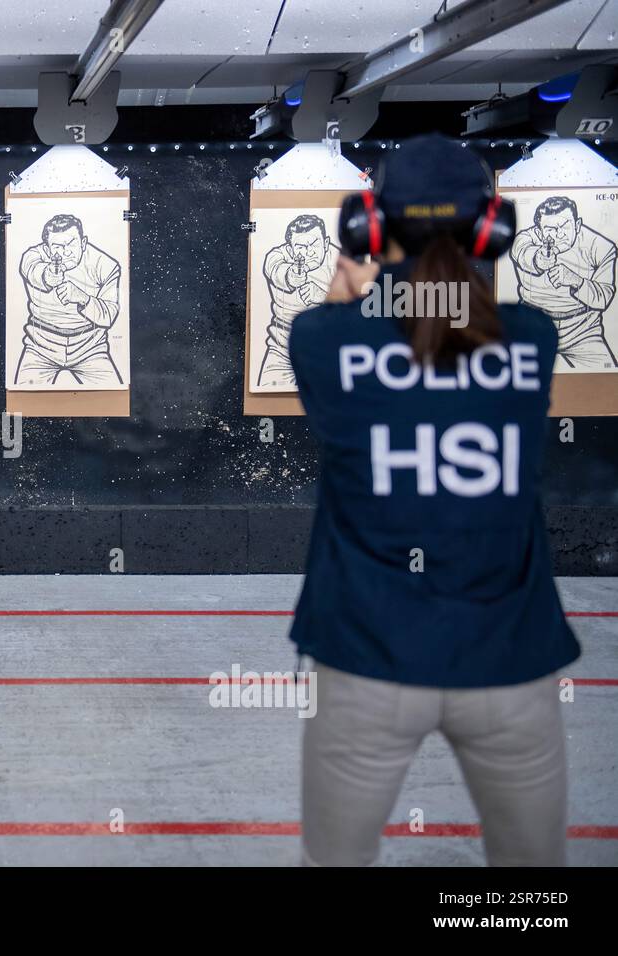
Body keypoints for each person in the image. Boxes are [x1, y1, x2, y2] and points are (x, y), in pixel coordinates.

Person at [287, 134, 581, 867]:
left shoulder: (322, 342)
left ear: (369, 227)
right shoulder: (534, 340)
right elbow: (462, 324)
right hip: (511, 666)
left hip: (365, 663)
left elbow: (358, 337)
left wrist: (351, 278)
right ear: (493, 230)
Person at [508, 195, 616, 369]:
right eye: (550, 229)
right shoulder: (526, 239)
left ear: (577, 224)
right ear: (539, 230)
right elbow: (521, 250)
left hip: (582, 330)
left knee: (607, 374)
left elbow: (603, 298)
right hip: (533, 325)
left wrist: (576, 281)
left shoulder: (601, 247)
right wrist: (538, 260)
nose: (558, 234)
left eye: (565, 226)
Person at [15, 213, 122, 386]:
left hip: (90, 348)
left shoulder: (106, 266)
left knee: (115, 395)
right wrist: (47, 276)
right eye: (57, 246)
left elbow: (109, 316)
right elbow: (32, 269)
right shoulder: (33, 256)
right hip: (40, 347)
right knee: (19, 399)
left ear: (83, 242)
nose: (65, 252)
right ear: (47, 248)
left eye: (71, 243)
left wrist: (82, 298)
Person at [258, 214, 338, 388]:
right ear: (290, 248)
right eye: (300, 246)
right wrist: (290, 276)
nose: (308, 252)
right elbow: (274, 267)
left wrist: (323, 297)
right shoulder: (278, 256)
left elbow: (358, 303)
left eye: (313, 244)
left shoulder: (340, 261)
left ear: (325, 243)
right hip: (283, 351)